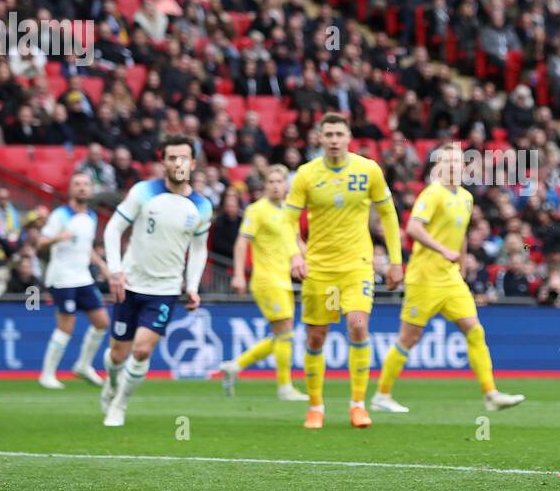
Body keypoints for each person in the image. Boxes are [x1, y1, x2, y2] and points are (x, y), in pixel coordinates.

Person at [372, 143, 525, 413]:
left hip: (451, 279)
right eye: (448, 163)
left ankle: (491, 393)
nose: (454, 167)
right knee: (409, 337)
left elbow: (461, 236)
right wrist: (443, 250)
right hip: (425, 277)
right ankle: (381, 395)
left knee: (475, 330)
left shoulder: (466, 197)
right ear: (439, 167)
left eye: (458, 163)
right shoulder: (432, 195)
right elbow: (413, 228)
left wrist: (462, 270)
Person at [286, 113, 404, 429]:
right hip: (320, 269)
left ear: (349, 136)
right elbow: (286, 221)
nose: (334, 140)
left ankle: (357, 405)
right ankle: (315, 406)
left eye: (339, 134)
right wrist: (295, 255)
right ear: (320, 138)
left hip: (357, 266)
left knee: (357, 326)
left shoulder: (368, 170)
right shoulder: (306, 175)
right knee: (316, 337)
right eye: (329, 134)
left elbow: (389, 214)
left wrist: (395, 260)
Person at [100, 136, 213, 427]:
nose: (178, 163)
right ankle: (111, 382)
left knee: (141, 350)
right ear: (163, 162)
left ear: (193, 163)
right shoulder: (144, 191)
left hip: (164, 290)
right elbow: (113, 229)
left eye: (184, 158)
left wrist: (192, 286)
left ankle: (119, 405)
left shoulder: (201, 206)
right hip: (130, 284)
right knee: (117, 354)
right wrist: (115, 271)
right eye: (172, 158)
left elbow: (199, 249)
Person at [216, 165, 308, 401]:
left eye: (280, 181)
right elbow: (241, 243)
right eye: (271, 181)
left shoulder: (291, 210)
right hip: (267, 279)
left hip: (285, 280)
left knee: (282, 335)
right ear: (265, 185)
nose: (276, 185)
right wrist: (238, 274)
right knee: (286, 330)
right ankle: (285, 387)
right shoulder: (256, 211)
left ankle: (235, 366)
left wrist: (316, 264)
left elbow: (297, 242)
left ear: (286, 184)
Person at [36, 172, 109, 390]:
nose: (82, 188)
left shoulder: (91, 217)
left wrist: (103, 266)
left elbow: (86, 248)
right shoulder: (61, 215)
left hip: (82, 276)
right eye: (77, 184)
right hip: (62, 278)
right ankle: (47, 374)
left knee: (102, 322)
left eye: (86, 184)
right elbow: (40, 244)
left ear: (91, 189)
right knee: (66, 327)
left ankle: (83, 365)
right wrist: (59, 238)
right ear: (70, 189)